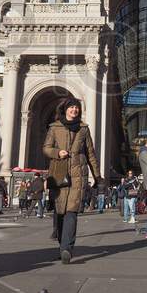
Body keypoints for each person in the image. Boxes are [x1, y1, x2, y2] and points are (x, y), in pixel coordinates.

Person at [43, 97, 101, 264]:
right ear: (65, 109)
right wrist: (57, 152)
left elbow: (91, 154)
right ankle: (62, 245)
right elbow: (46, 148)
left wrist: (97, 176)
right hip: (59, 173)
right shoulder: (54, 128)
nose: (74, 110)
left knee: (71, 212)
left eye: (77, 108)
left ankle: (67, 248)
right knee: (60, 212)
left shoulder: (84, 129)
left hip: (78, 174)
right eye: (71, 108)